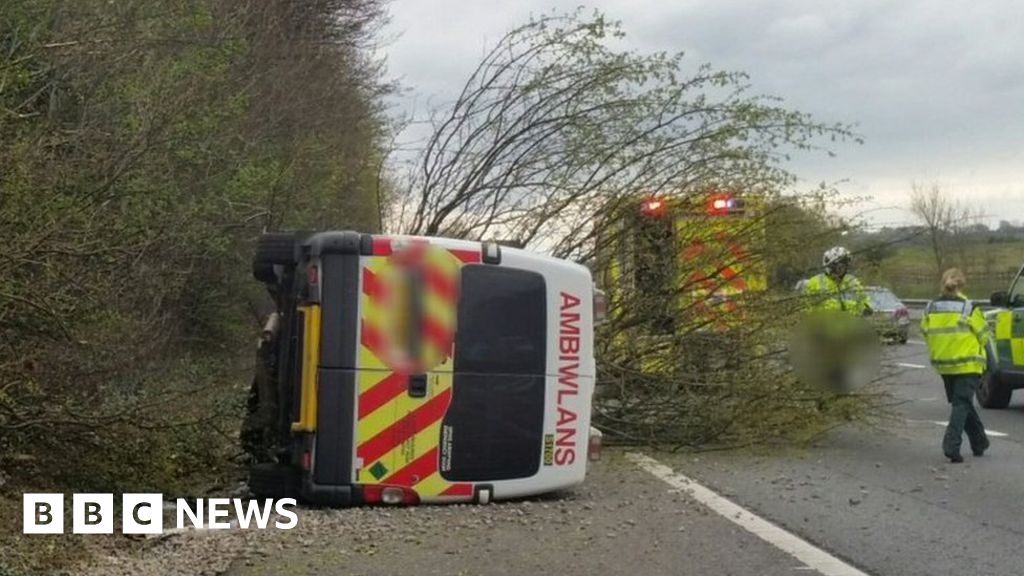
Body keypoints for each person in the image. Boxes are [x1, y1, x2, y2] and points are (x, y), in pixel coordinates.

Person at [921, 268, 991, 463]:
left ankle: (979, 442)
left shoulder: (930, 307)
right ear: (962, 284)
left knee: (962, 403)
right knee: (962, 403)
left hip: (944, 364)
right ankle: (951, 446)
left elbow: (925, 331)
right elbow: (985, 335)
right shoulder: (969, 308)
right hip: (968, 364)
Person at [801, 246, 872, 315]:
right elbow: (805, 308)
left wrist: (867, 309)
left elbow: (864, 299)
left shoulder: (851, 281)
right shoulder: (815, 282)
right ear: (831, 266)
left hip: (851, 321)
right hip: (824, 321)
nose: (842, 270)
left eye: (844, 266)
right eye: (839, 267)